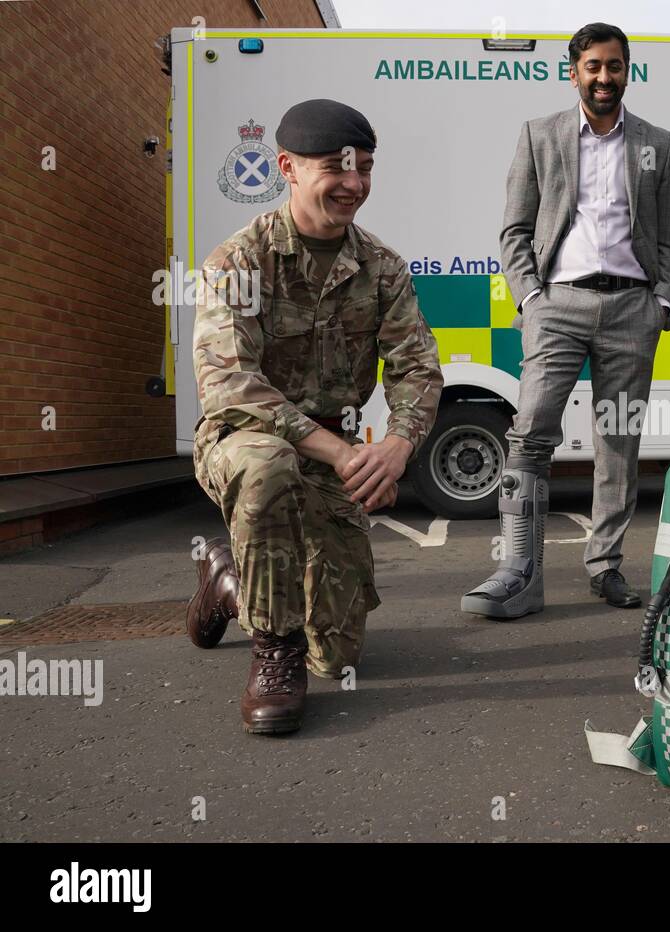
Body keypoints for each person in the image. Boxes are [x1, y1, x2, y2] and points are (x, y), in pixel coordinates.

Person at [186, 99, 444, 735]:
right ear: (288, 169)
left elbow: (417, 368)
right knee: (268, 464)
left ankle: (228, 579)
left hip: (339, 455)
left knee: (338, 653)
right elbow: (230, 384)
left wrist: (398, 447)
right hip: (241, 441)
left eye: (365, 168)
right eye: (336, 167)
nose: (354, 183)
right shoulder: (238, 262)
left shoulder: (381, 267)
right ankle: (273, 653)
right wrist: (340, 451)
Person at [462, 22, 670, 620]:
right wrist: (531, 298)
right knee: (530, 431)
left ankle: (605, 566)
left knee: (618, 441)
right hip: (557, 306)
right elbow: (514, 230)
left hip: (632, 310)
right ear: (574, 70)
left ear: (626, 69)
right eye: (593, 67)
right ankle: (518, 568)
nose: (604, 77)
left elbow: (666, 234)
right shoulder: (541, 135)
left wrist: (661, 300)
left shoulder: (657, 142)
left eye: (614, 66)